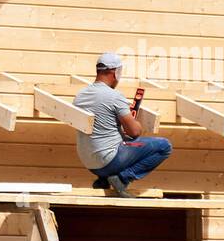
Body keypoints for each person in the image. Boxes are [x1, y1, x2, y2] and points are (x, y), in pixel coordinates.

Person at [74, 52, 172, 197]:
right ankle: (122, 178)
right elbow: (134, 132)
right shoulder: (114, 96)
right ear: (115, 72)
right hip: (110, 160)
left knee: (117, 142)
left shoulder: (80, 95)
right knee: (164, 146)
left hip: (90, 163)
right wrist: (135, 123)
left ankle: (103, 180)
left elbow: (101, 129)